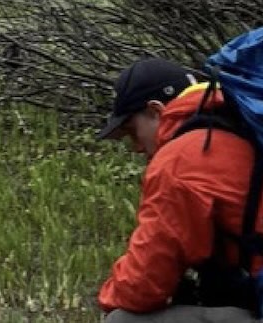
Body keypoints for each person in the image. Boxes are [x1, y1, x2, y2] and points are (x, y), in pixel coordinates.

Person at [97, 56, 261, 322]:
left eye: (132, 131)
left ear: (156, 111)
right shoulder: (240, 121)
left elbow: (142, 286)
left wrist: (107, 295)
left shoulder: (181, 160)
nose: (137, 147)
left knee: (122, 320)